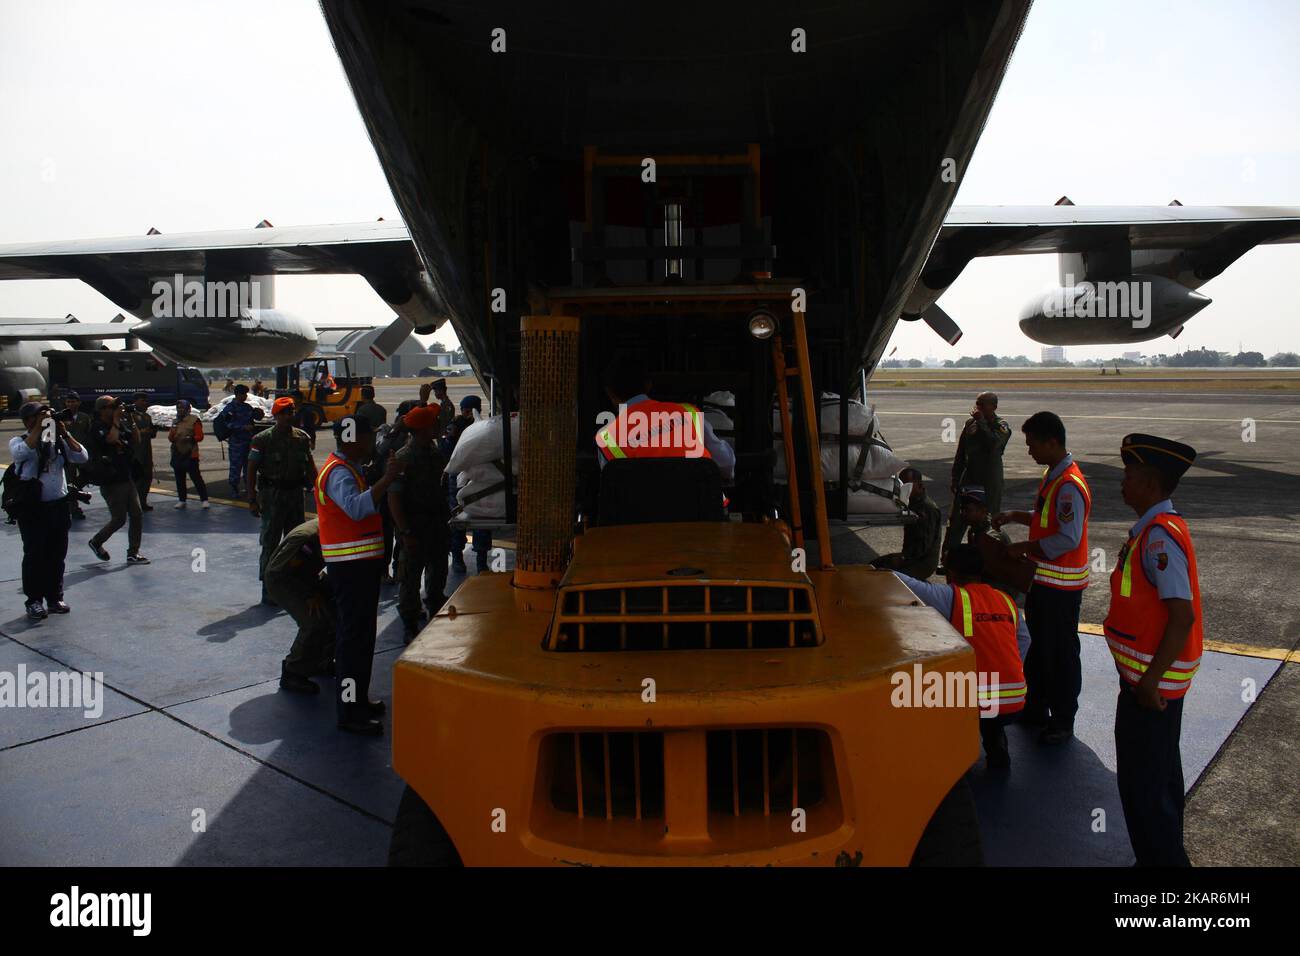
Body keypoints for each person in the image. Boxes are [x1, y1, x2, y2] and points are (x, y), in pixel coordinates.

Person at [1106, 434, 1201, 867]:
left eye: (1128, 476)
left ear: (1148, 483)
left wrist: (1148, 683)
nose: (1121, 484)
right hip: (1148, 683)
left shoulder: (1160, 537)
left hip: (1150, 689)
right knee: (1159, 781)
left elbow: (1181, 616)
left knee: (1145, 789)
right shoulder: (1154, 530)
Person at [994, 411, 1092, 745]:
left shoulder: (1069, 486)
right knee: (1040, 650)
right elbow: (1047, 520)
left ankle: (1063, 719)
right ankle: (1036, 708)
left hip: (1060, 588)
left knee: (1060, 654)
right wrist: (1017, 516)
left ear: (1052, 442)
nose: (1029, 450)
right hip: (1045, 584)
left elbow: (1067, 537)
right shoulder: (1054, 476)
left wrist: (1023, 546)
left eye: (1032, 443)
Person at [895, 544, 1030, 770]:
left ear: (951, 572)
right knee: (988, 707)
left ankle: (952, 759)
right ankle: (996, 746)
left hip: (974, 704)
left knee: (912, 689)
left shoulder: (951, 596)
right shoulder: (1005, 600)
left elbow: (908, 584)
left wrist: (879, 567)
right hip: (1015, 701)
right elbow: (1025, 640)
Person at [315, 415, 404, 735]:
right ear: (352, 439)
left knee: (363, 639)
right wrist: (387, 479)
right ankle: (349, 712)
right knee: (352, 643)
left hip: (360, 568)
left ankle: (358, 700)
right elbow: (356, 508)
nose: (371, 444)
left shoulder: (349, 469)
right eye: (367, 438)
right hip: (350, 570)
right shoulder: (338, 473)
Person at [594, 354, 735, 481]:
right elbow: (726, 465)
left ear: (610, 393)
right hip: (698, 508)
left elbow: (613, 490)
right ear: (648, 385)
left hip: (642, 509)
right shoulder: (688, 413)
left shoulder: (607, 438)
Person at [8, 401, 90, 619]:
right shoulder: (19, 441)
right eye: (39, 416)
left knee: (57, 555)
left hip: (58, 506)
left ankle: (54, 597)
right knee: (35, 555)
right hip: (33, 509)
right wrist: (37, 429)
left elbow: (82, 456)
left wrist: (63, 432)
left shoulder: (58, 442)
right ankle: (34, 600)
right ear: (28, 421)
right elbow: (22, 453)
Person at [388, 404, 452, 640]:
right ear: (425, 428)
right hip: (414, 524)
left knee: (438, 570)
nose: (438, 425)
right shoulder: (404, 457)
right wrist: (405, 532)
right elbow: (394, 498)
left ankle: (435, 606)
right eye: (434, 422)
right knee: (410, 575)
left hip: (436, 522)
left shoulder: (435, 452)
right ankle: (409, 620)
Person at [248, 397, 317, 604]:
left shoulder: (302, 438)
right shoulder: (262, 439)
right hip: (272, 496)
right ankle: (269, 589)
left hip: (295, 495)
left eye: (291, 412)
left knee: (297, 543)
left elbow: (310, 468)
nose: (288, 416)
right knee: (270, 543)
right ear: (276, 415)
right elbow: (251, 469)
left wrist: (321, 491)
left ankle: (293, 583)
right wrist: (252, 498)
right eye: (284, 413)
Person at [265, 518, 337, 695]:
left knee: (336, 612)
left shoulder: (335, 527)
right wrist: (309, 595)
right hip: (282, 581)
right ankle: (293, 672)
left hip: (306, 577)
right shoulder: (307, 538)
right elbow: (279, 572)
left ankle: (320, 662)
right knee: (314, 622)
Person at [941, 391, 1012, 566]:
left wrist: (982, 423)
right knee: (957, 519)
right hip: (969, 477)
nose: (978, 407)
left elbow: (994, 446)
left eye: (982, 404)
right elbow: (961, 453)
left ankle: (986, 559)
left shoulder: (1001, 426)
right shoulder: (970, 424)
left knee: (988, 520)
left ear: (993, 407)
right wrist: (955, 478)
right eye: (977, 403)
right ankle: (948, 559)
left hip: (990, 480)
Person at [86, 396, 149, 565]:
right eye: (112, 406)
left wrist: (129, 419)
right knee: (119, 519)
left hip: (126, 476)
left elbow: (136, 439)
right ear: (102, 410)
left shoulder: (119, 424)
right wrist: (115, 419)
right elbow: (111, 439)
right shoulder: (97, 427)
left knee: (137, 514)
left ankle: (133, 553)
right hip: (111, 480)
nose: (116, 409)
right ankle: (97, 541)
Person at [444, 394, 492, 573]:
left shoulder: (482, 427)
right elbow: (447, 452)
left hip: (477, 476)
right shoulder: (456, 426)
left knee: (480, 519)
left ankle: (479, 561)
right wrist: (451, 437)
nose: (467, 414)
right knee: (459, 518)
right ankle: (459, 557)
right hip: (460, 477)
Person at [870, 467, 941, 578]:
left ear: (920, 485)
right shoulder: (911, 501)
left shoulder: (927, 509)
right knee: (873, 565)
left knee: (883, 575)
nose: (903, 489)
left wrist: (903, 559)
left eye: (907, 485)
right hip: (911, 556)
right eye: (901, 485)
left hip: (922, 562)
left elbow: (924, 545)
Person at [216, 384, 258, 497]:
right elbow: (227, 424)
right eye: (243, 394)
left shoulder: (247, 407)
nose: (245, 396)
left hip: (248, 442)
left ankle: (249, 488)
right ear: (237, 394)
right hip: (236, 443)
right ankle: (234, 488)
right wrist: (242, 427)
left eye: (246, 394)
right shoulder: (230, 408)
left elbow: (254, 421)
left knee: (248, 467)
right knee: (235, 467)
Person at [168, 398, 209, 508]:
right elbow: (170, 437)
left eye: (182, 407)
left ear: (188, 409)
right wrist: (173, 436)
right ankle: (182, 500)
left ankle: (204, 500)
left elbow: (200, 436)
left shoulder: (194, 420)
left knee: (196, 477)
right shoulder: (175, 421)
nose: (180, 410)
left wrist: (190, 438)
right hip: (177, 453)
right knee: (179, 478)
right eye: (178, 408)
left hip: (191, 454)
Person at [60, 390, 92, 520]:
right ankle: (73, 508)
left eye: (73, 401)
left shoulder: (84, 417)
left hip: (82, 453)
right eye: (68, 401)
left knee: (87, 476)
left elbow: (89, 435)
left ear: (79, 402)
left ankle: (75, 494)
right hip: (68, 456)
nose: (71, 404)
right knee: (70, 481)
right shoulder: (61, 417)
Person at [129, 392, 158, 511]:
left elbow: (151, 434)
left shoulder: (147, 416)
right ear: (135, 402)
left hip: (146, 452)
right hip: (134, 453)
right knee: (135, 480)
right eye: (142, 400)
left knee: (147, 477)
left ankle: (143, 501)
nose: (146, 403)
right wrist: (142, 432)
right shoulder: (129, 416)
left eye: (146, 400)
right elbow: (128, 433)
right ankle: (133, 504)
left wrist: (153, 430)